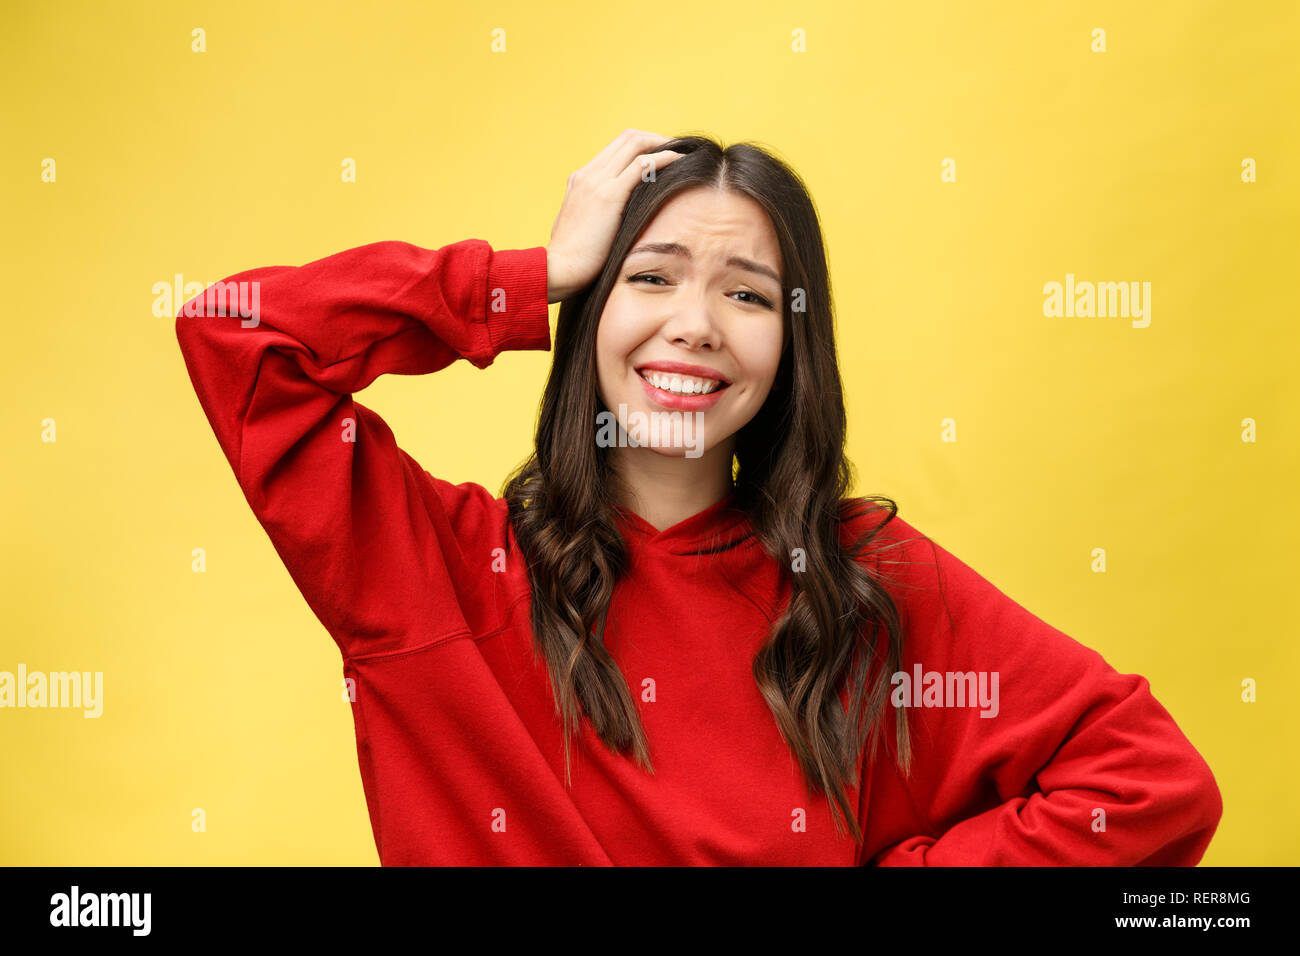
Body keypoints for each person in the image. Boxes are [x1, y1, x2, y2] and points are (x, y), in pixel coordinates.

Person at [174, 128, 1222, 865]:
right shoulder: (434, 567)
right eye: (650, 275)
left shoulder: (862, 581)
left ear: (789, 343)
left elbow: (1149, 788)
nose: (696, 324)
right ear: (588, 310)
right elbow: (234, 330)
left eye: (748, 293)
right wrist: (532, 271)